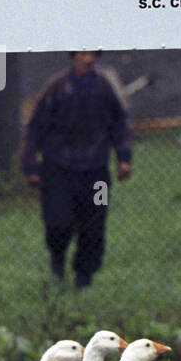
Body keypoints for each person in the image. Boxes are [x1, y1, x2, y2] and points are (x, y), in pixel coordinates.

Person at [20, 51, 132, 288]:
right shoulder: (57, 87)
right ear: (74, 56)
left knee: (94, 225)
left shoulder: (104, 87)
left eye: (92, 53)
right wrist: (30, 165)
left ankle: (85, 277)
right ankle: (57, 264)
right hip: (59, 169)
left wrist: (124, 158)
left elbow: (119, 123)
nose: (88, 58)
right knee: (58, 222)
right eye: (83, 53)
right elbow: (35, 126)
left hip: (97, 172)